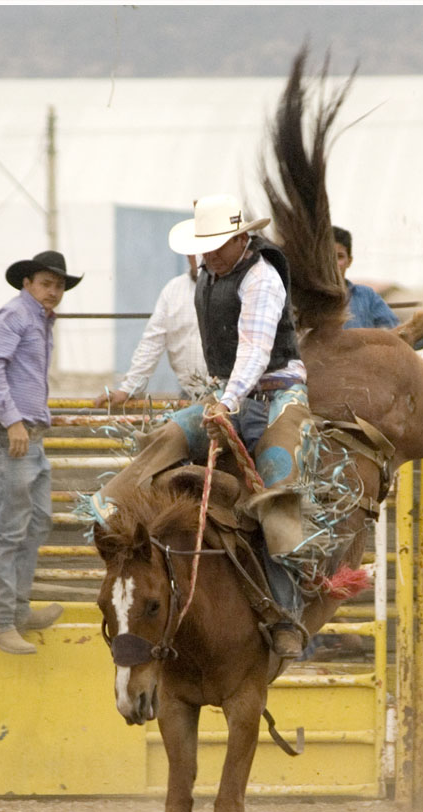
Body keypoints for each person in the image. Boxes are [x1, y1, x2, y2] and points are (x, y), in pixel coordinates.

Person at [96, 194, 311, 658]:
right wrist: (220, 401)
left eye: (215, 245)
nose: (207, 255)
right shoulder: (208, 279)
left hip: (276, 396)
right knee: (167, 437)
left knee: (276, 487)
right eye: (203, 246)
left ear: (240, 239)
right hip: (225, 396)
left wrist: (226, 403)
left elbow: (255, 350)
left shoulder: (262, 278)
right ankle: (109, 511)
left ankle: (285, 615)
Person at [0, 250, 83, 655]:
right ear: (27, 283)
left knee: (36, 522)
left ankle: (16, 610)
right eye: (46, 284)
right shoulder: (15, 316)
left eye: (59, 286)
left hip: (27, 438)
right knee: (10, 528)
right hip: (11, 437)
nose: (53, 292)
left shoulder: (37, 319)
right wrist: (12, 420)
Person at [93, 255, 207, 407]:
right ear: (187, 254)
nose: (202, 256)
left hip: (230, 395)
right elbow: (151, 343)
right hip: (192, 395)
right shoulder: (173, 291)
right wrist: (128, 389)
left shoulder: (231, 286)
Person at [333, 226, 400, 329]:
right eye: (327, 257)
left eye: (339, 257)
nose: (333, 263)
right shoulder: (310, 298)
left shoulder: (366, 295)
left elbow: (393, 328)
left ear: (349, 261)